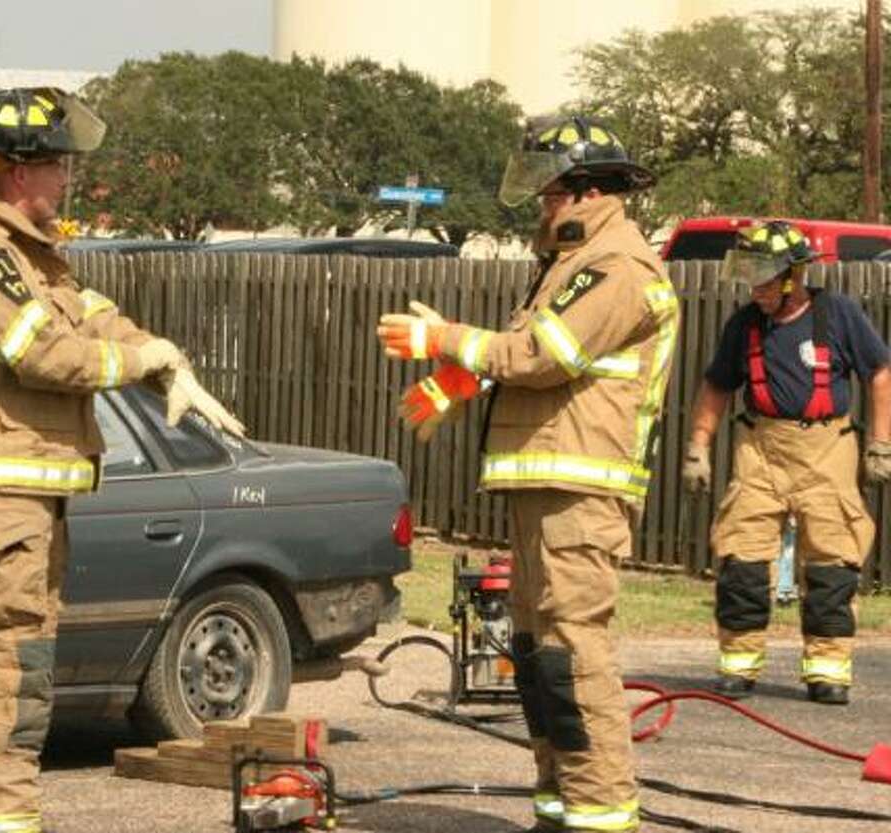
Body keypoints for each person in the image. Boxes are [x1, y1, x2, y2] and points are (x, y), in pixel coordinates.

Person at [0, 86, 244, 833]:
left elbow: (98, 318)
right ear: (16, 173)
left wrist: (166, 360)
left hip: (27, 493)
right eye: (58, 164)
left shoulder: (40, 262)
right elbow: (47, 354)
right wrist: (140, 362)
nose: (69, 177)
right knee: (11, 665)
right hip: (1, 492)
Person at [378, 115, 679, 833]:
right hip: (547, 489)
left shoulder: (619, 266)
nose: (541, 208)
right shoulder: (573, 262)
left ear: (586, 191)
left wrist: (443, 338)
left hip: (582, 491)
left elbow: (547, 355)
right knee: (539, 656)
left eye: (549, 194)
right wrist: (456, 381)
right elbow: (523, 353)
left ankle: (601, 813)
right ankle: (560, 805)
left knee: (574, 653)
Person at [682, 220, 891, 706]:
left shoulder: (836, 314)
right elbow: (717, 385)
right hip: (760, 450)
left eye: (764, 278)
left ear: (793, 276)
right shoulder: (745, 324)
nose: (755, 288)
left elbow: (880, 373)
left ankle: (827, 668)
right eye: (749, 277)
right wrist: (697, 447)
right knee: (741, 559)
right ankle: (738, 664)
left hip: (827, 450)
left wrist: (881, 445)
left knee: (832, 564)